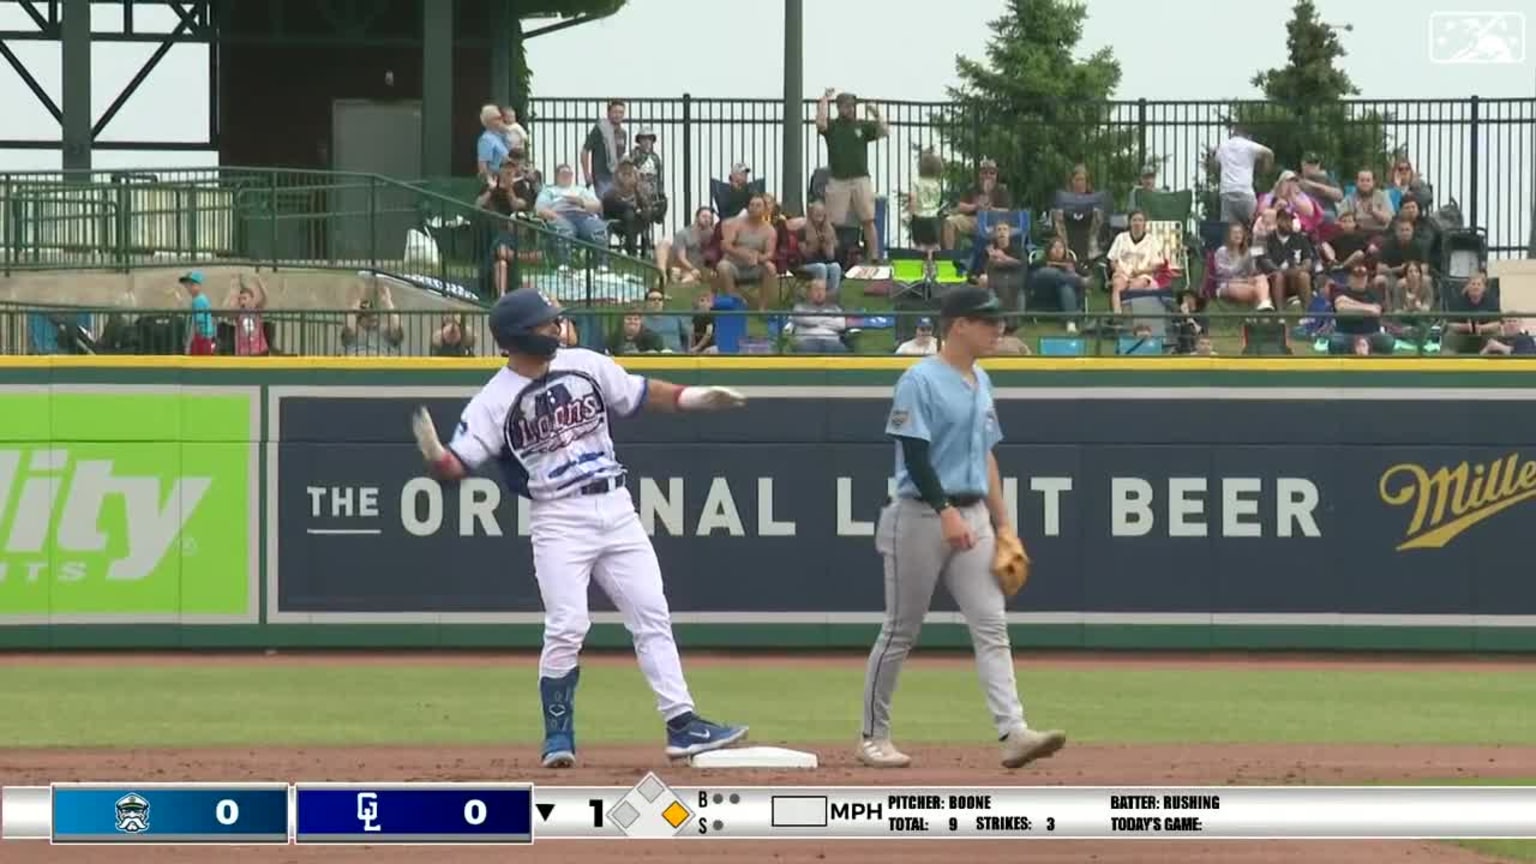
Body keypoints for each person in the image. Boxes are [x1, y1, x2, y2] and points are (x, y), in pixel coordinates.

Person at [409, 289, 751, 768]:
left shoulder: (585, 363)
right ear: (519, 336)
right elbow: (457, 465)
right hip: (558, 517)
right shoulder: (493, 401)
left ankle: (683, 724)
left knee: (652, 613)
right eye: (546, 323)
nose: (557, 327)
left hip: (615, 505)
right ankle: (558, 737)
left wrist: (691, 398)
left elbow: (638, 392)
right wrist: (435, 459)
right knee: (568, 626)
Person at [858, 286, 1066, 770]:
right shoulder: (920, 380)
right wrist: (945, 510)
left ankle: (1013, 732)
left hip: (974, 514)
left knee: (992, 625)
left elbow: (986, 455)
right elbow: (914, 453)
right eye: (987, 322)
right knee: (900, 631)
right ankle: (873, 735)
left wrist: (1005, 524)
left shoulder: (982, 379)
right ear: (959, 326)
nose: (998, 330)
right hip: (919, 515)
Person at [1211, 123, 1274, 226]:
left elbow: (1215, 160)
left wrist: (1220, 173)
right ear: (1247, 135)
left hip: (1227, 191)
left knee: (1229, 229)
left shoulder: (1223, 146)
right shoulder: (1248, 145)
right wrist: (1266, 169)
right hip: (1245, 191)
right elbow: (1269, 152)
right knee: (1253, 225)